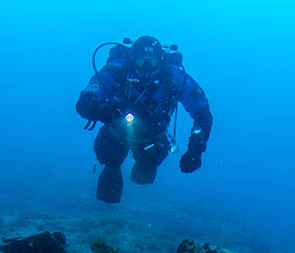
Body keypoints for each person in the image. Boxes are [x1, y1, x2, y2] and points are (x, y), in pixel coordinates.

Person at [76, 36, 213, 203]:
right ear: (132, 59)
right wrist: (107, 111)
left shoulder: (175, 78)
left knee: (144, 176)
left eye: (152, 63)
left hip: (153, 137)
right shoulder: (116, 71)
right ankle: (107, 197)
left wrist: (195, 150)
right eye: (141, 62)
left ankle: (142, 177)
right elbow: (83, 103)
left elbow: (203, 114)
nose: (146, 68)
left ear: (161, 62)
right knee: (110, 162)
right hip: (116, 133)